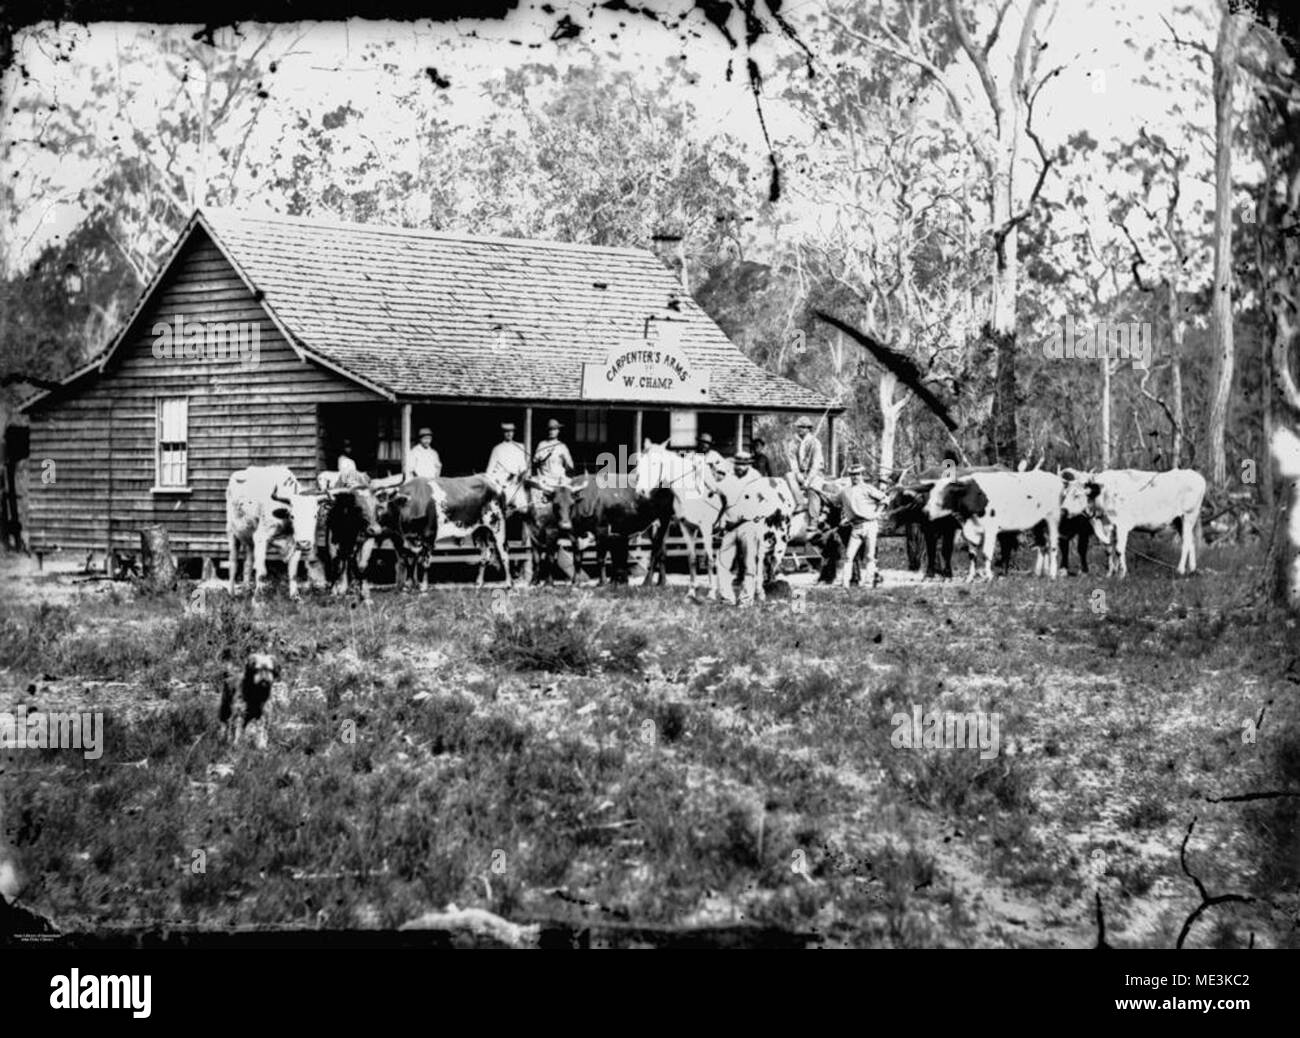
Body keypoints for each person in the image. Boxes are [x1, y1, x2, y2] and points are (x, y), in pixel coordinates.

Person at [715, 450, 767, 606]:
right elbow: (721, 501)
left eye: (743, 464)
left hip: (749, 526)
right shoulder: (727, 479)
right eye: (737, 464)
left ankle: (746, 599)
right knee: (722, 563)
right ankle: (727, 598)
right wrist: (719, 522)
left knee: (748, 564)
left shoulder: (756, 478)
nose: (739, 467)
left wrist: (734, 523)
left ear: (749, 465)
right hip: (729, 527)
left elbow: (758, 507)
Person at [838, 464, 888, 589]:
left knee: (870, 556)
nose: (856, 477)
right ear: (850, 476)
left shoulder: (868, 488)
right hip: (856, 527)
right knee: (849, 556)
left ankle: (868, 583)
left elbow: (884, 499)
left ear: (862, 475)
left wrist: (876, 513)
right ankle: (845, 583)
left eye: (858, 474)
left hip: (870, 525)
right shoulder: (845, 492)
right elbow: (834, 501)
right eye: (853, 474)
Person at [786, 416, 825, 521]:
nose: (800, 429)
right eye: (799, 427)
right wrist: (798, 474)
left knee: (813, 489)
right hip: (801, 473)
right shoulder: (793, 443)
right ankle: (800, 503)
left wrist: (808, 480)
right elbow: (792, 461)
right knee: (789, 476)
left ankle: (814, 520)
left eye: (803, 427)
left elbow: (816, 464)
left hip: (815, 473)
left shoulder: (815, 443)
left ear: (808, 429)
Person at [486, 421, 529, 507]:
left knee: (522, 507)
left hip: (515, 484)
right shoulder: (497, 449)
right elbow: (489, 472)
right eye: (506, 431)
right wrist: (496, 482)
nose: (509, 434)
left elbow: (523, 467)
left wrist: (521, 475)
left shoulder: (520, 447)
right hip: (501, 484)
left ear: (513, 432)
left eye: (511, 431)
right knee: (497, 505)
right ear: (503, 433)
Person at [532, 418, 574, 483]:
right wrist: (542, 458)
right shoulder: (542, 444)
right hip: (545, 478)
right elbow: (534, 461)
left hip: (559, 479)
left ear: (558, 431)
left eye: (554, 429)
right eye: (550, 429)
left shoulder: (562, 446)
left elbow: (570, 466)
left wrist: (564, 458)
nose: (551, 432)